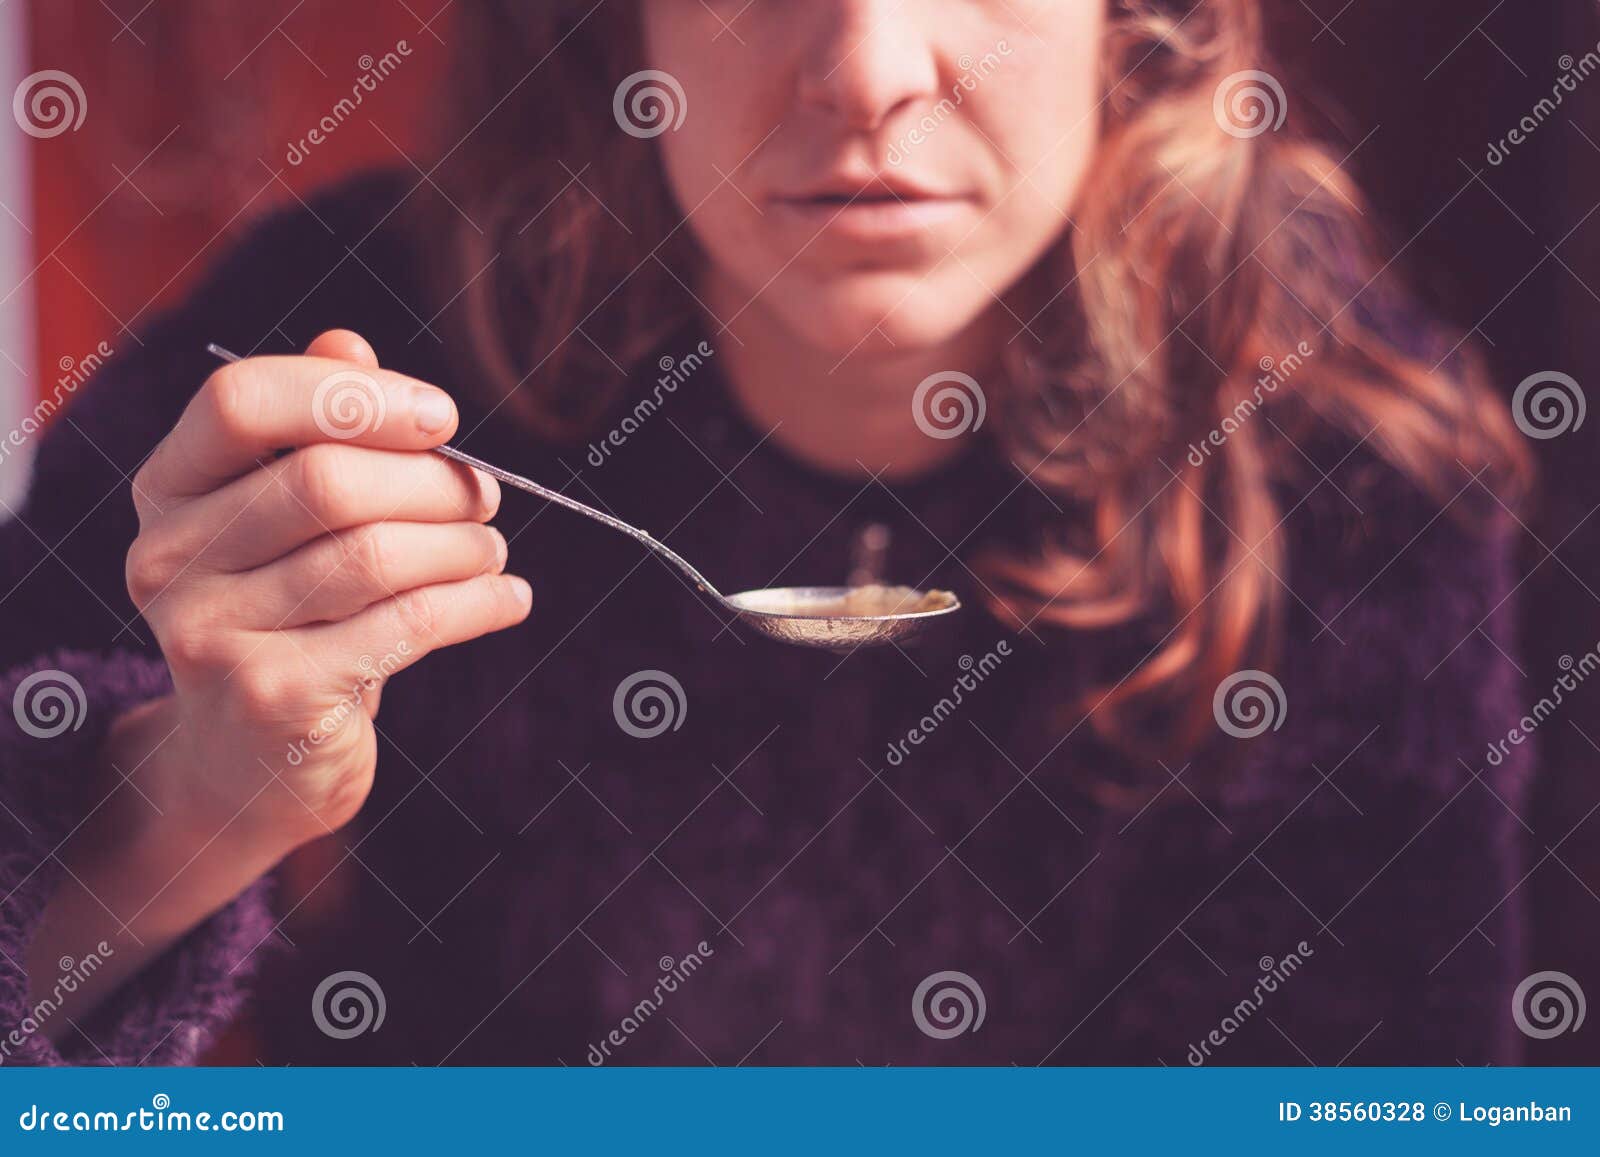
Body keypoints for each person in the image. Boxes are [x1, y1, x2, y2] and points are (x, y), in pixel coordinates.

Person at [0, 0, 1531, 1065]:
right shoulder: (338, 345)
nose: (866, 69)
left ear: (1135, 21)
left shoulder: (1346, 470)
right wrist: (187, 799)